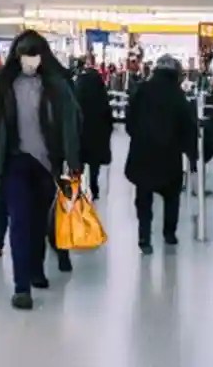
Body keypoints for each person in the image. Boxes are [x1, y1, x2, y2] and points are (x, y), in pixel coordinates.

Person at [0, 30, 82, 311]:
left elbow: (71, 124)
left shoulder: (57, 87)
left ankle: (36, 269)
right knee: (20, 221)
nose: (30, 61)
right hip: (13, 163)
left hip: (47, 165)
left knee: (37, 222)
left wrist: (74, 161)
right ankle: (22, 287)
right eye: (26, 55)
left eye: (35, 55)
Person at [124, 54, 198, 256]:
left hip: (144, 153)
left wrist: (137, 136)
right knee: (171, 197)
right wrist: (191, 153)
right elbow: (188, 126)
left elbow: (129, 119)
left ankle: (144, 237)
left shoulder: (142, 90)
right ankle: (169, 233)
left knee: (144, 198)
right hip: (169, 155)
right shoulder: (178, 95)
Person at [75, 54, 114, 199]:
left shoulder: (78, 88)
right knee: (94, 163)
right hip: (97, 134)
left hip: (81, 132)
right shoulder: (100, 92)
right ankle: (94, 186)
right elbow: (108, 115)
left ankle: (77, 186)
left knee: (79, 161)